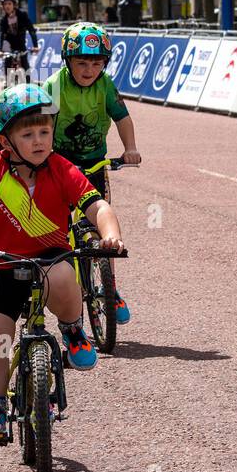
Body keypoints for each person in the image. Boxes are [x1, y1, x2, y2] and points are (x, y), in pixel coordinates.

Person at [0, 84, 125, 442]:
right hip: (3, 266)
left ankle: (72, 329)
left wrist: (110, 234)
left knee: (62, 274)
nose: (39, 140)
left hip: (49, 258)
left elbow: (97, 206)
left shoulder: (62, 169)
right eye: (28, 134)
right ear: (5, 142)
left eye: (45, 131)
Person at [42, 22, 140, 324]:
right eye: (81, 62)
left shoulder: (105, 85)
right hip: (59, 164)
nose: (89, 69)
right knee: (59, 229)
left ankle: (110, 288)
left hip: (94, 163)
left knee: (100, 228)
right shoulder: (53, 86)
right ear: (67, 61)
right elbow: (40, 125)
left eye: (96, 63)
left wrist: (131, 148)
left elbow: (122, 117)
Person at [0, 0, 39, 80]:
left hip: (21, 44)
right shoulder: (3, 20)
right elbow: (0, 35)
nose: (7, 6)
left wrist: (35, 46)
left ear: (14, 4)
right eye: (5, 4)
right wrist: (0, 50)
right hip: (8, 46)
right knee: (7, 61)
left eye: (9, 4)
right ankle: (7, 84)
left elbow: (31, 30)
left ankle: (28, 86)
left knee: (25, 65)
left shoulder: (22, 15)